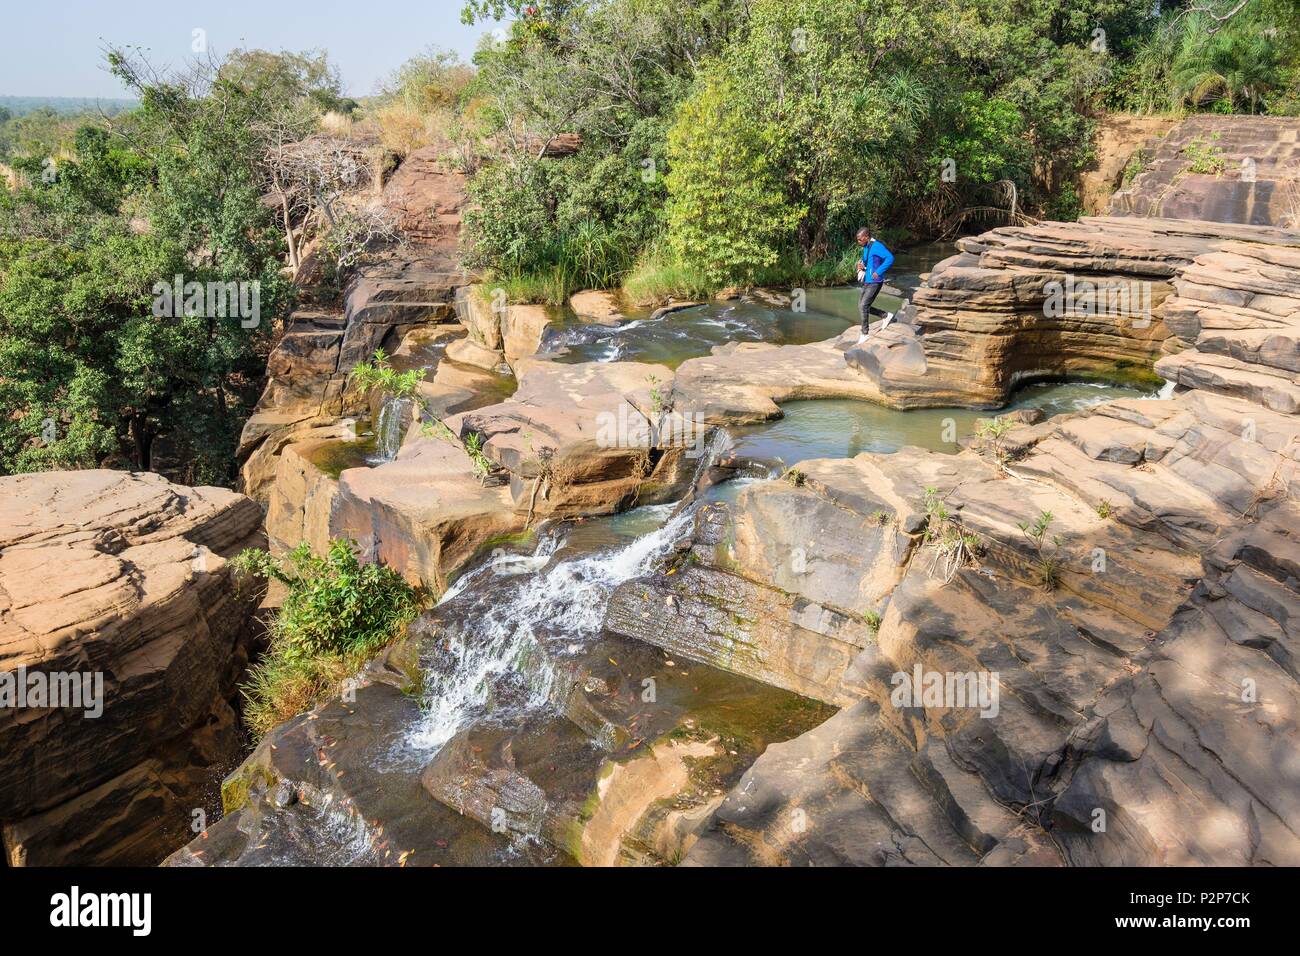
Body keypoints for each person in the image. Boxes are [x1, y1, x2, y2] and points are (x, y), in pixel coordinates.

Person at [855, 226, 895, 343]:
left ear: (866, 237)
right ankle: (885, 315)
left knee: (863, 306)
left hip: (875, 282)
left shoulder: (877, 246)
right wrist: (862, 266)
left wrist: (879, 271)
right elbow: (867, 262)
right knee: (861, 305)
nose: (859, 242)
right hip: (868, 280)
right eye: (858, 239)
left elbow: (890, 258)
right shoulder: (866, 247)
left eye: (860, 239)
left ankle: (865, 333)